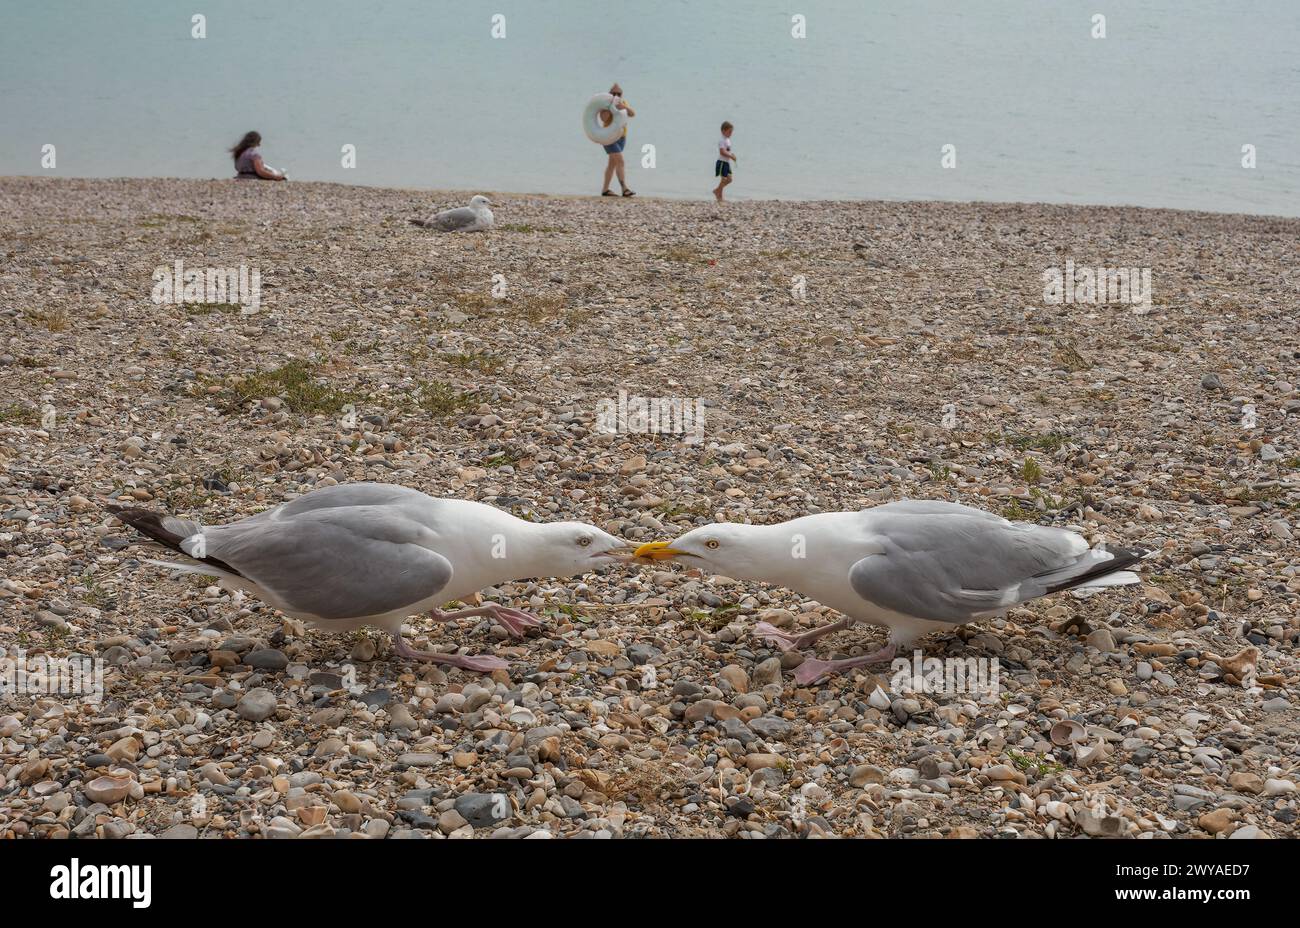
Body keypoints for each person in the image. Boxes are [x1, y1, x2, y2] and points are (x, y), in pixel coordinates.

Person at [597, 83, 635, 197]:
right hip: (608, 138)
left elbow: (632, 114)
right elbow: (603, 118)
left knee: (612, 164)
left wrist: (624, 107)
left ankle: (605, 190)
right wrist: (611, 107)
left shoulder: (623, 103)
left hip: (621, 138)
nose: (616, 95)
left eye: (619, 93)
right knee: (620, 161)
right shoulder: (604, 104)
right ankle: (625, 189)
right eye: (614, 93)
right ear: (610, 94)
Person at [713, 121, 736, 201]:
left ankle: (717, 190)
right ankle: (720, 196)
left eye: (731, 132)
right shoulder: (722, 140)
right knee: (723, 179)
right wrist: (730, 156)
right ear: (723, 131)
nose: (731, 133)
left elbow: (727, 150)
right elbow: (722, 152)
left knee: (729, 179)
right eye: (729, 131)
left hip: (727, 162)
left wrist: (732, 155)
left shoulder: (728, 140)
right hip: (722, 162)